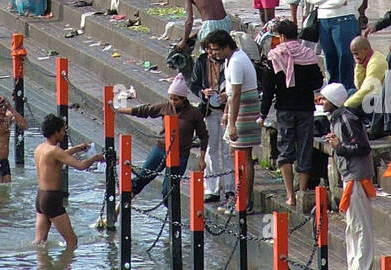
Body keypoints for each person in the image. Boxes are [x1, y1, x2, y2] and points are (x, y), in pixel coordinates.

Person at [261, 20, 324, 206]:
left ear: (281, 36)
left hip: (285, 109)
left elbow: (268, 89)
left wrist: (262, 114)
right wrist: (305, 88)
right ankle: (303, 190)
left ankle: (290, 194)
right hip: (306, 108)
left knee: (286, 149)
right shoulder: (308, 54)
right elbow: (318, 82)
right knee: (305, 147)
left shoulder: (275, 56)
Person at [318, 81, 376, 270]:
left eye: (324, 98)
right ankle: (353, 268)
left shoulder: (346, 119)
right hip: (348, 174)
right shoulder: (336, 118)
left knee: (360, 225)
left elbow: (362, 147)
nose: (320, 101)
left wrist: (339, 146)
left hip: (357, 176)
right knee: (351, 225)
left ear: (333, 101)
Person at [118, 75, 209, 198]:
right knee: (141, 178)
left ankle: (172, 214)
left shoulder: (194, 113)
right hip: (161, 150)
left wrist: (202, 159)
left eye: (175, 99)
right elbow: (145, 111)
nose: (172, 102)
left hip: (180, 155)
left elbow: (203, 136)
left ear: (183, 99)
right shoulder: (165, 107)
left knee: (168, 191)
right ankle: (123, 205)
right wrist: (120, 110)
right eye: (170, 98)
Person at [204, 28, 260, 206]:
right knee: (234, 152)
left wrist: (233, 124)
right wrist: (227, 113)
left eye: (217, 49)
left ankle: (246, 200)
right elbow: (229, 93)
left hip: (245, 106)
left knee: (243, 155)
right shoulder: (229, 60)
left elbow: (236, 94)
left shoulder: (236, 61)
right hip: (236, 106)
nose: (214, 53)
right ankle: (238, 195)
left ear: (227, 46)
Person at [34, 114, 106, 248]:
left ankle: (42, 268)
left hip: (40, 197)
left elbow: (59, 156)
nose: (64, 133)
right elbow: (81, 166)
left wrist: (78, 148)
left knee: (39, 242)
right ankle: (64, 268)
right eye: (62, 130)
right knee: (72, 241)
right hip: (52, 198)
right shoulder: (55, 151)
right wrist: (95, 158)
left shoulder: (40, 148)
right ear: (56, 132)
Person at [306, 0, 360, 87]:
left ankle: (347, 88)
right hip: (324, 20)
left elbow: (340, 0)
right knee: (329, 56)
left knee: (344, 56)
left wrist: (322, 1)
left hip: (343, 20)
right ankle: (332, 88)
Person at [347, 35, 391, 138]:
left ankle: (371, 127)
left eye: (356, 54)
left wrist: (345, 107)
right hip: (374, 96)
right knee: (351, 92)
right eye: (353, 55)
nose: (355, 57)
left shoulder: (376, 62)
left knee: (352, 103)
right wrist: (359, 65)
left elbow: (366, 90)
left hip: (384, 102)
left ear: (366, 50)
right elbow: (359, 85)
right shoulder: (365, 60)